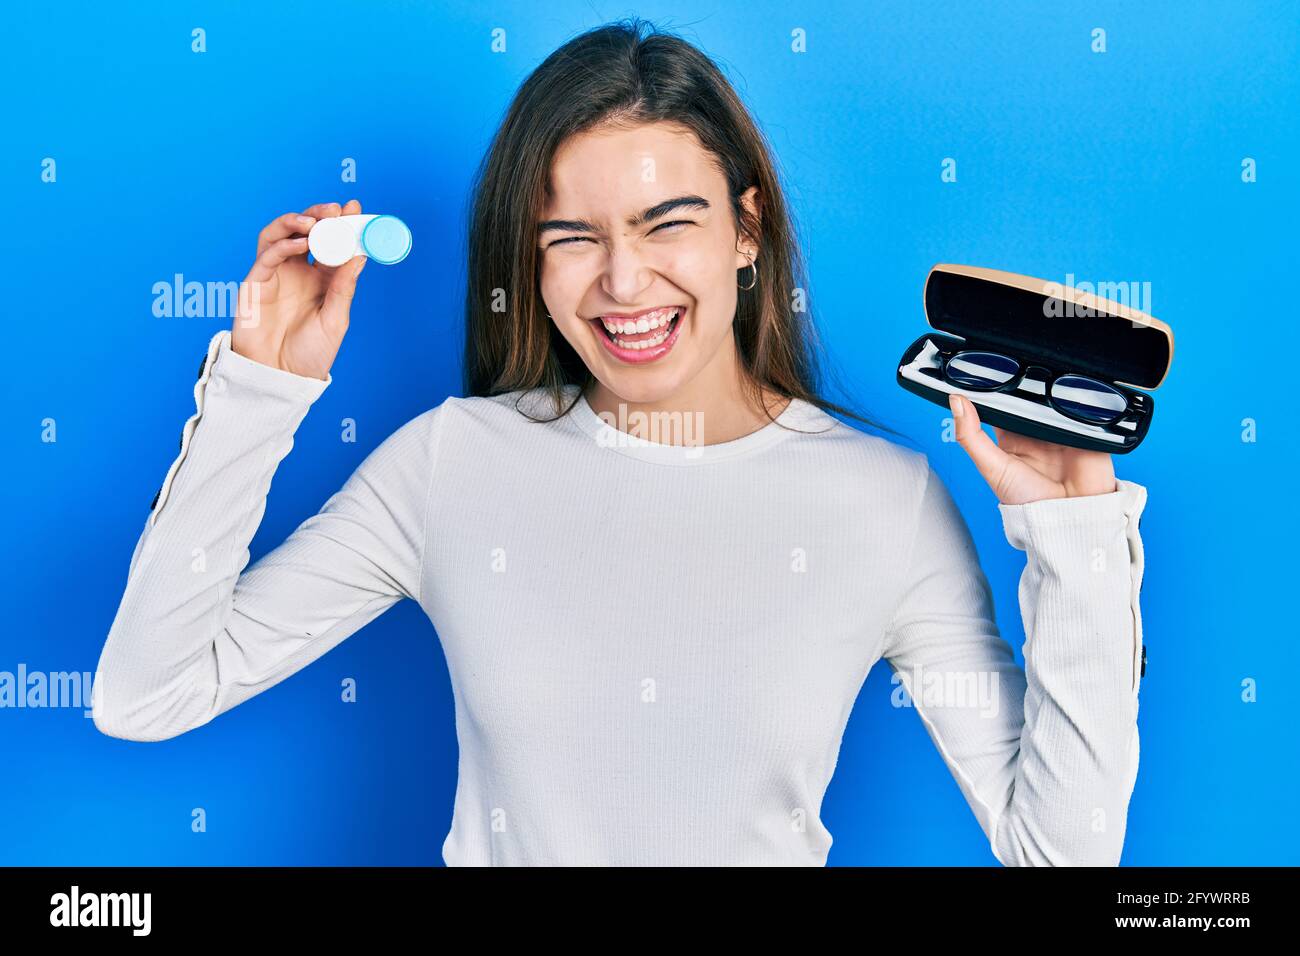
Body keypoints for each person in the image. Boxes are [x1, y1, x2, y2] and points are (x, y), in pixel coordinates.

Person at [92, 18, 1147, 866]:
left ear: (745, 230)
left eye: (663, 223)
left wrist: (1077, 540)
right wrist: (260, 388)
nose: (623, 282)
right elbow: (149, 693)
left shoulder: (883, 500)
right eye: (572, 237)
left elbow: (1062, 850)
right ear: (533, 262)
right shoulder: (449, 462)